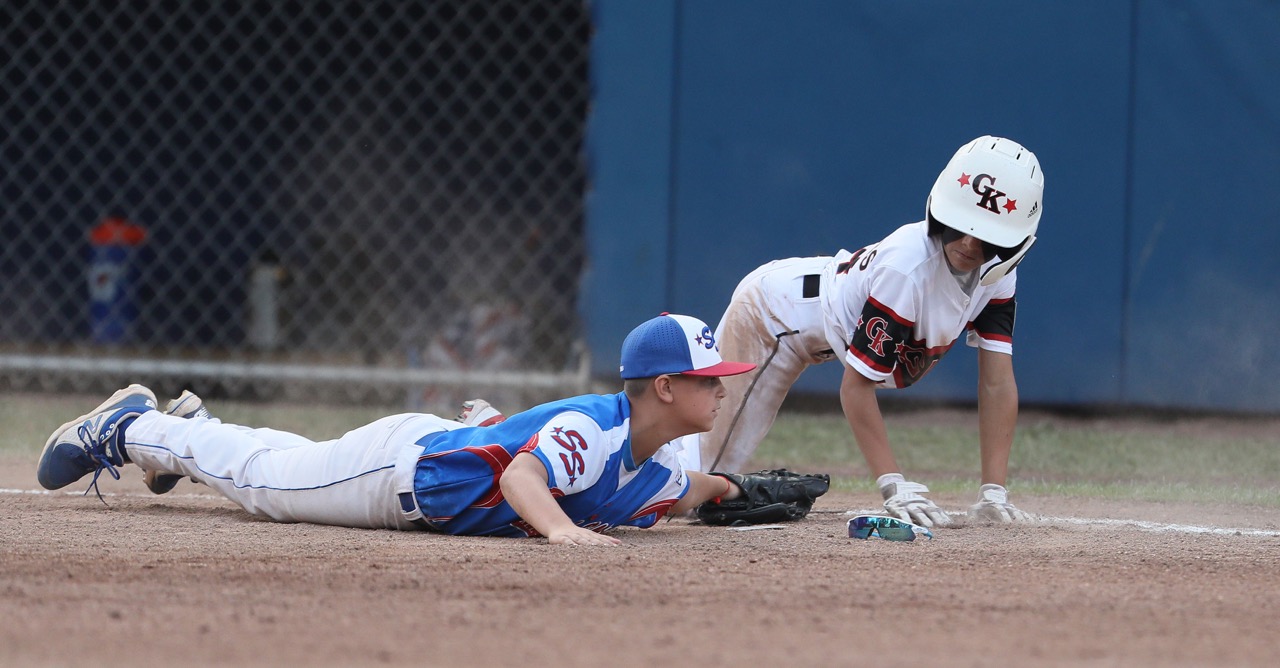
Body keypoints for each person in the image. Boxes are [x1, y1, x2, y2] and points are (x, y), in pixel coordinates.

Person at [36, 313, 772, 545]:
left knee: (294, 460)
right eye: (709, 380)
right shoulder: (596, 429)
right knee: (267, 483)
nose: (721, 390)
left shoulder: (655, 458)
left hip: (423, 456)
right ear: (666, 387)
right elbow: (524, 477)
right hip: (400, 479)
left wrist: (737, 491)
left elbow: (683, 491)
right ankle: (130, 426)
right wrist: (564, 534)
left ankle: (197, 432)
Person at [670, 135, 1043, 527]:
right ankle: (612, 461)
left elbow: (997, 384)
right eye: (959, 223)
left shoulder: (998, 277)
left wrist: (993, 492)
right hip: (773, 317)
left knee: (701, 473)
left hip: (810, 322)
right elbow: (855, 386)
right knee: (694, 488)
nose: (967, 242)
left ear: (1013, 243)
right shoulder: (908, 270)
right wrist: (893, 484)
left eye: (986, 236)